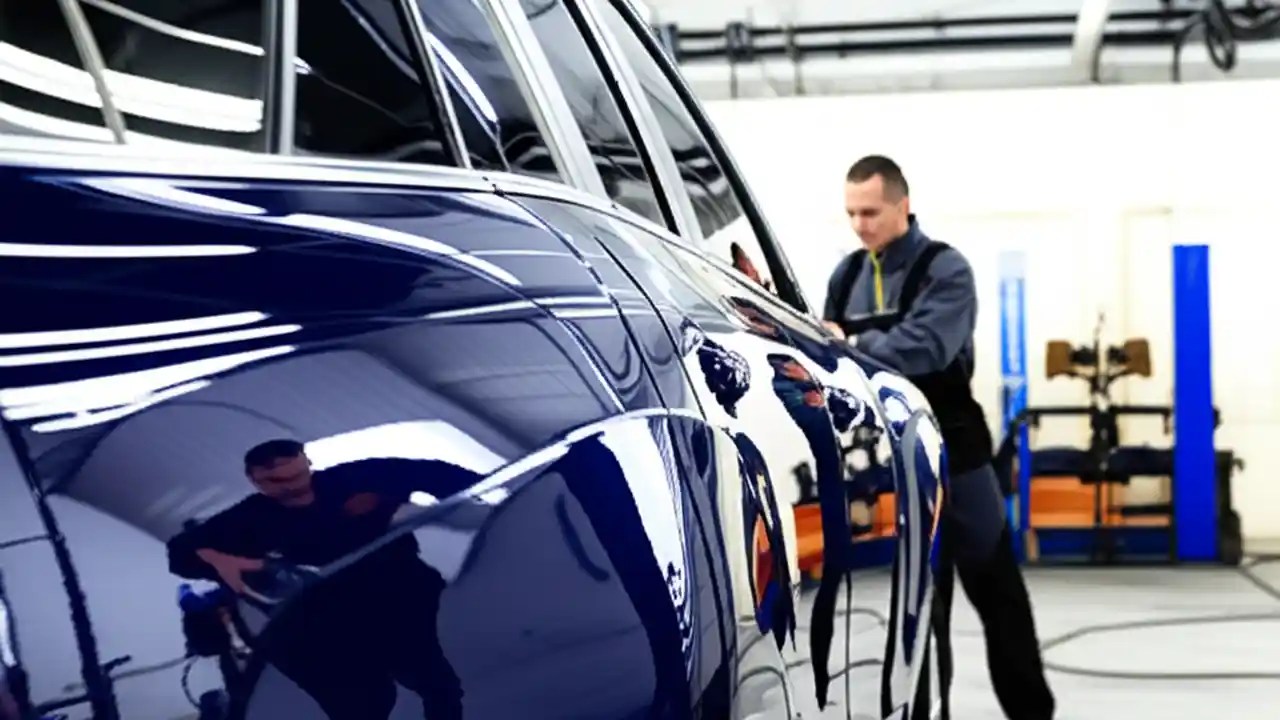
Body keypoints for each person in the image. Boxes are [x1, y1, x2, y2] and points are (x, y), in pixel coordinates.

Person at [822, 155, 1056, 720]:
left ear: (903, 205)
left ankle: (1032, 713)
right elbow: (828, 357)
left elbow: (926, 347)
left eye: (871, 212)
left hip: (957, 450)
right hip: (890, 455)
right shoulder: (846, 275)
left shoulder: (944, 269)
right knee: (920, 610)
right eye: (852, 213)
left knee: (997, 592)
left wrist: (849, 339)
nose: (861, 225)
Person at [167, 439, 480, 720]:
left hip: (403, 600)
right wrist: (221, 560)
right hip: (328, 623)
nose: (291, 487)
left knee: (438, 685)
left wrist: (473, 501)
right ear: (255, 480)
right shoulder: (250, 517)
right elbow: (181, 551)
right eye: (276, 480)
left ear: (306, 463)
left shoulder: (356, 479)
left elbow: (441, 474)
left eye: (295, 474)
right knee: (364, 705)